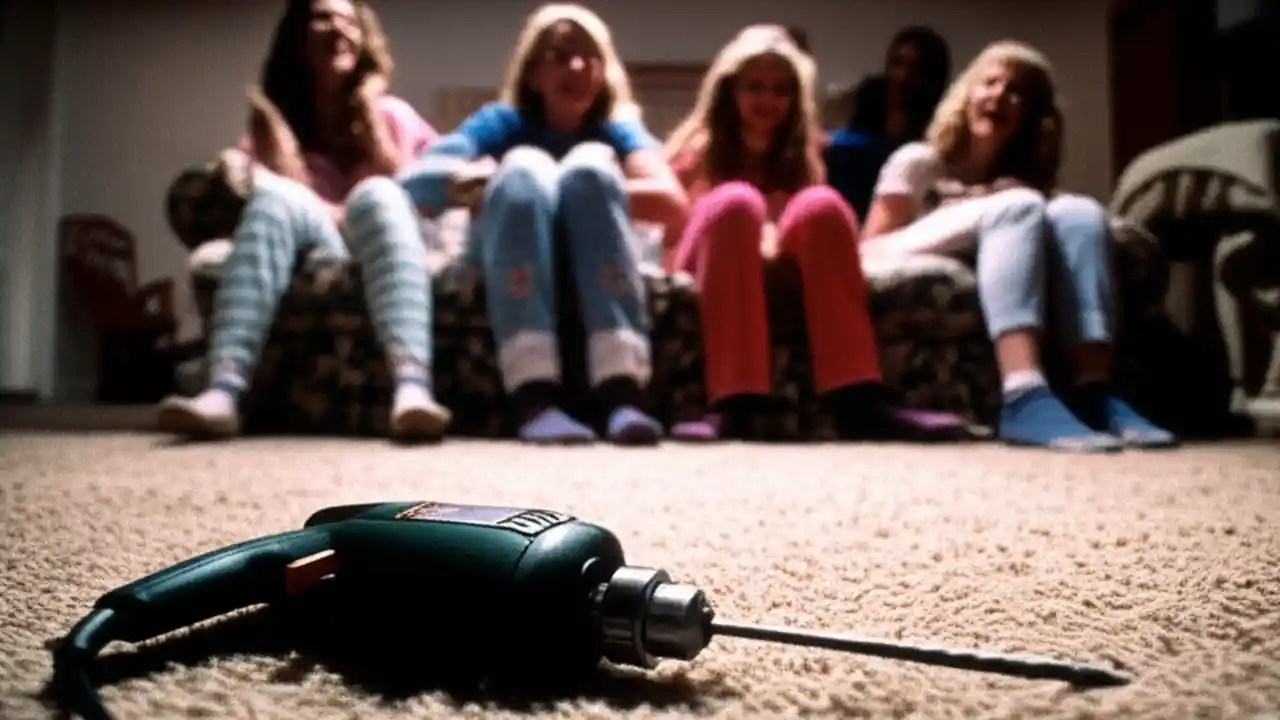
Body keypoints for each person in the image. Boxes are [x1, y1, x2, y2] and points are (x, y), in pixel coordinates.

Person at [156, 0, 451, 442]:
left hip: (388, 243)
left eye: (349, 21)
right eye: (323, 18)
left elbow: (437, 182)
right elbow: (251, 193)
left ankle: (412, 389)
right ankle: (222, 391)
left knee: (379, 193)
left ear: (364, 39)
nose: (338, 29)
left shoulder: (394, 116)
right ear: (297, 39)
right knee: (275, 194)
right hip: (321, 248)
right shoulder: (272, 125)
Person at [861, 40, 1177, 451]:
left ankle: (1094, 391)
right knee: (1018, 204)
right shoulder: (920, 162)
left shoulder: (1023, 178)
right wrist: (984, 204)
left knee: (1079, 211)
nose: (999, 96)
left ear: (1032, 116)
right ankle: (1023, 393)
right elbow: (870, 249)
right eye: (990, 82)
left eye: (1017, 93)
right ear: (967, 94)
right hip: (912, 247)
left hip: (1007, 236)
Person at [660, 25, 970, 442]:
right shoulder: (695, 152)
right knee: (735, 202)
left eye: (780, 90)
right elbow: (668, 233)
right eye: (755, 87)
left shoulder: (803, 158)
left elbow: (805, 235)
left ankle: (857, 397)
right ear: (730, 91)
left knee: (822, 206)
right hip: (710, 263)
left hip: (779, 266)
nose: (768, 100)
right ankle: (732, 402)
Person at [399, 3, 688, 446]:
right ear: (533, 73)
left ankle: (620, 393)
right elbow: (415, 183)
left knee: (589, 169)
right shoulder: (501, 122)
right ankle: (534, 396)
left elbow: (671, 201)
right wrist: (487, 182)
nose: (575, 66)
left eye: (587, 56)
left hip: (594, 252)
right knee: (524, 170)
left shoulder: (616, 131)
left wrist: (578, 191)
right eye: (558, 56)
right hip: (507, 247)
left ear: (603, 69)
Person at [825, 26, 951, 219]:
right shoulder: (859, 113)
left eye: (916, 69)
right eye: (897, 64)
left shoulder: (938, 143)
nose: (902, 76)